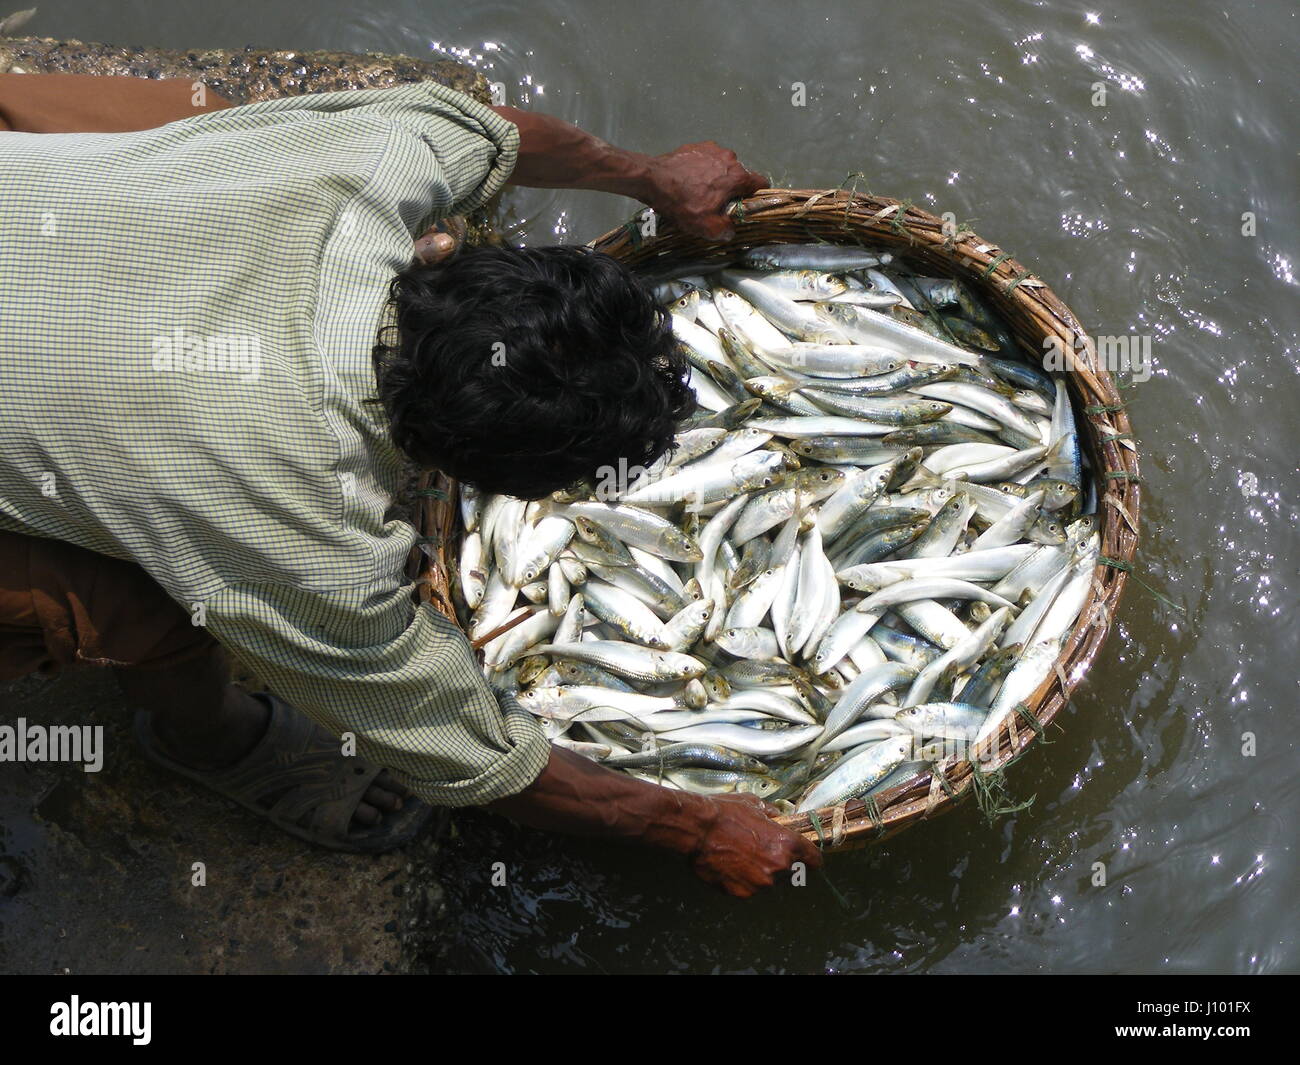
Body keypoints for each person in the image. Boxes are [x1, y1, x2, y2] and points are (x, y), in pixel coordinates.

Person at [0, 72, 821, 896]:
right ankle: (207, 739)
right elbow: (457, 744)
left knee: (203, 129)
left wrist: (649, 175)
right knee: (165, 597)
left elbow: (488, 129)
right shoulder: (311, 535)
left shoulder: (373, 162)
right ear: (477, 473)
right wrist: (694, 825)